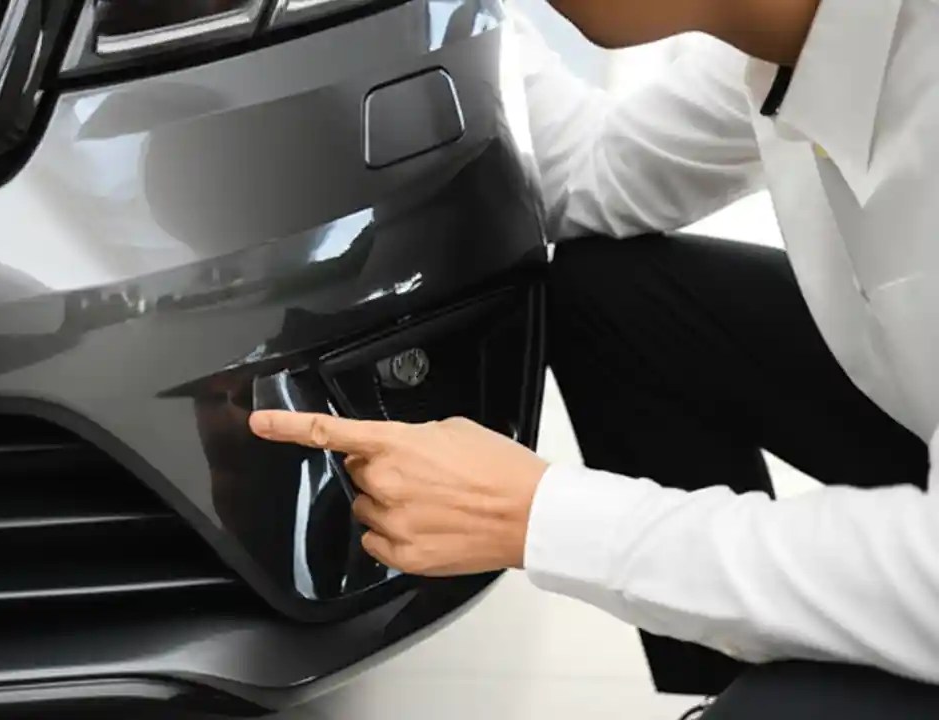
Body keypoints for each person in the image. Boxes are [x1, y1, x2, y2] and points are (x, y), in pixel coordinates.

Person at [249, 0, 939, 717]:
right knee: (611, 292)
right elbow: (588, 175)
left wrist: (541, 515)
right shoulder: (793, 42)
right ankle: (748, 677)